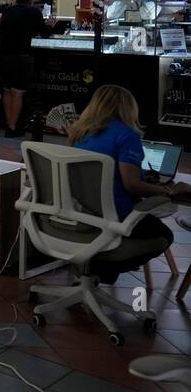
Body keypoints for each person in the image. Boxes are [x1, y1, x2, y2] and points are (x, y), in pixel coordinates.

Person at [69, 85, 188, 271]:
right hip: (117, 216)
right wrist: (170, 190)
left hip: (84, 214)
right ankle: (103, 267)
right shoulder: (126, 135)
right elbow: (132, 185)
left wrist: (141, 175)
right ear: (128, 108)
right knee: (164, 235)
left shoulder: (80, 133)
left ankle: (93, 268)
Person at [0, 0, 50, 137]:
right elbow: (44, 33)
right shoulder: (33, 11)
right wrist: (51, 24)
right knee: (17, 91)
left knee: (7, 89)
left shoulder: (7, 11)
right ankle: (13, 127)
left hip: (4, 54)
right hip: (21, 55)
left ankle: (8, 123)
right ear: (30, 0)